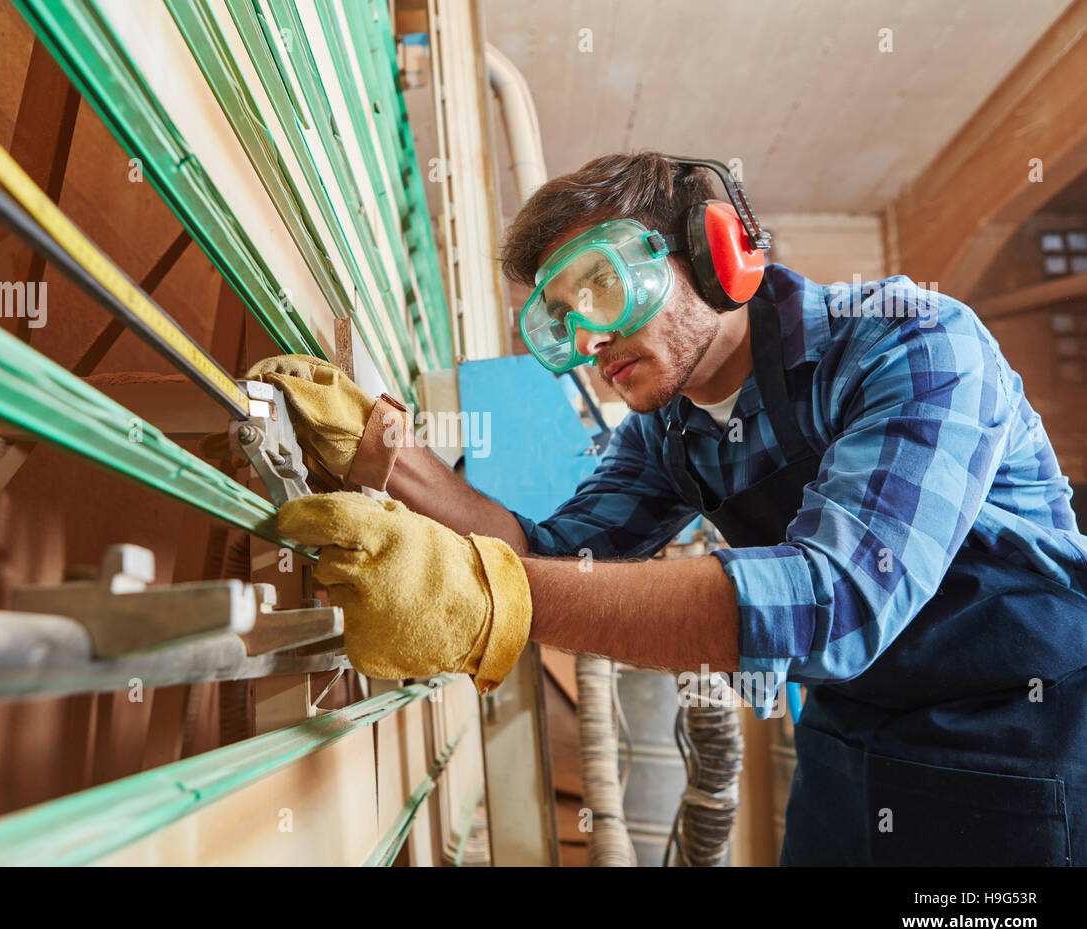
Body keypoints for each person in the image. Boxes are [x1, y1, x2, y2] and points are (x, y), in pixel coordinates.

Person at [249, 151, 1087, 865]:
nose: (585, 339)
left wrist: (491, 602)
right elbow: (546, 552)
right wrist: (387, 458)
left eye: (600, 291)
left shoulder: (913, 342)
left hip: (1018, 739)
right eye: (560, 318)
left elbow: (837, 604)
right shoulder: (671, 432)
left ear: (716, 251)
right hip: (853, 735)